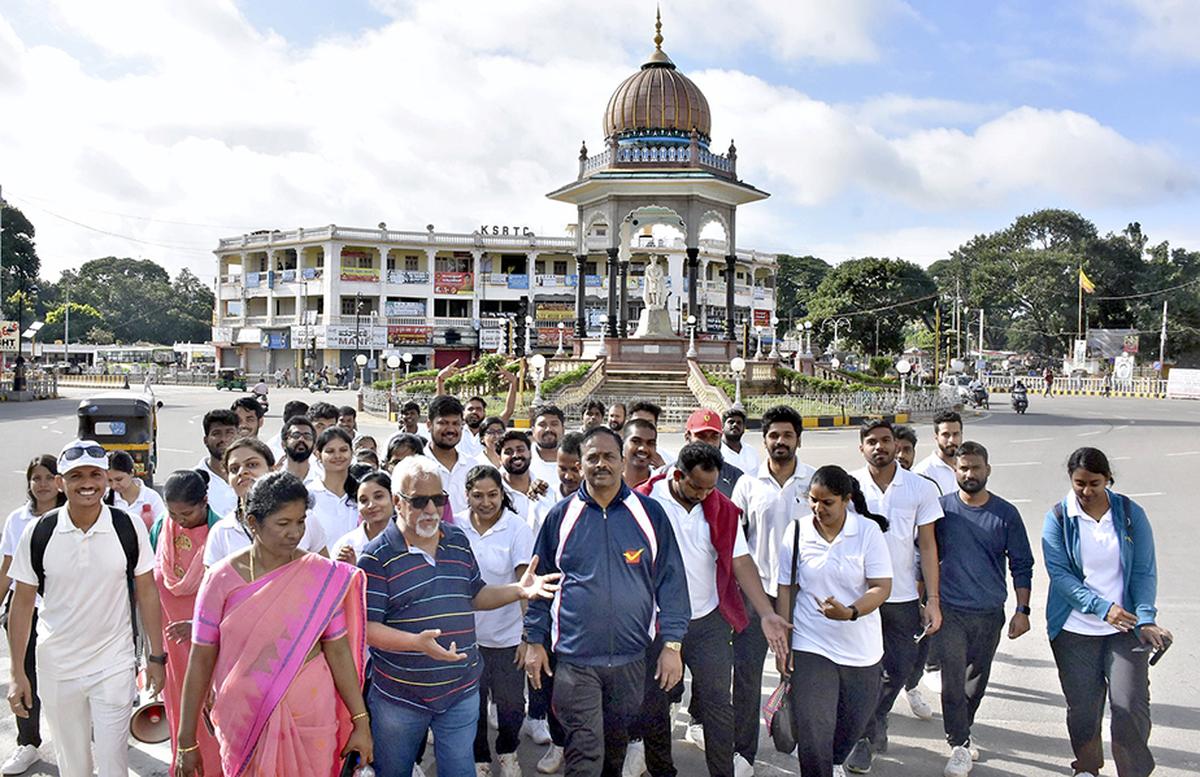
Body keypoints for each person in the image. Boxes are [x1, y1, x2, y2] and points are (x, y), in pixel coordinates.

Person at [356, 456, 559, 776]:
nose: (431, 509)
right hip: (400, 698)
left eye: (438, 499)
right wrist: (416, 643)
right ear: (397, 502)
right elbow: (366, 628)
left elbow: (475, 594)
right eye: (419, 501)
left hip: (460, 692)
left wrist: (519, 590)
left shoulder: (457, 540)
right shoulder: (375, 556)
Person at [173, 471, 372, 777]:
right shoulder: (220, 579)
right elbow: (201, 659)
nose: (295, 533)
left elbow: (338, 650)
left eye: (300, 522)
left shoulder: (321, 576)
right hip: (244, 718)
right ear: (253, 523)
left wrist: (361, 720)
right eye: (283, 523)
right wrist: (186, 742)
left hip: (311, 715)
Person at [524, 426, 690, 777]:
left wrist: (672, 645)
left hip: (631, 661)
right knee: (585, 755)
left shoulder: (650, 514)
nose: (602, 464)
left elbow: (672, 583)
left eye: (609, 456)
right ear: (580, 464)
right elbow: (541, 585)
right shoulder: (560, 517)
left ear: (622, 461)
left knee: (614, 754)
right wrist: (534, 641)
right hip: (575, 661)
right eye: (593, 457)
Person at [630, 443, 792, 777]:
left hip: (708, 622)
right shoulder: (644, 502)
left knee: (718, 703)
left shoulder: (721, 508)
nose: (705, 495)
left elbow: (740, 561)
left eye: (710, 488)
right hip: (657, 624)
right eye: (697, 487)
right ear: (678, 475)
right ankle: (662, 771)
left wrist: (766, 613)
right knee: (656, 704)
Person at [7, 440, 165, 777]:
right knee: (74, 766)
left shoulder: (128, 527)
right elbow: (22, 605)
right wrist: (17, 673)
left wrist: (156, 656)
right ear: (61, 482)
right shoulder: (39, 532)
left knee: (113, 763)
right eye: (76, 476)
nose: (87, 483)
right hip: (57, 667)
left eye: (95, 474)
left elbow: (148, 593)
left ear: (106, 479)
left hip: (113, 664)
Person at [1043, 447, 1167, 777]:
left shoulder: (1130, 514)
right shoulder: (1058, 517)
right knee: (1083, 709)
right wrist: (1101, 608)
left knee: (1129, 707)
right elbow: (1060, 576)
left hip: (1125, 628)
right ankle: (1086, 767)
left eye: (1094, 484)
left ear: (1108, 479)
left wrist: (1146, 619)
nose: (1086, 491)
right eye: (1079, 483)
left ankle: (1134, 772)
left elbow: (1143, 571)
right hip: (1074, 630)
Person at [776, 466, 893, 777]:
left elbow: (882, 586)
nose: (818, 508)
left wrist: (850, 611)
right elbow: (786, 587)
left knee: (851, 725)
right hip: (811, 641)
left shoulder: (867, 531)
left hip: (861, 649)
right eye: (813, 500)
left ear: (846, 500)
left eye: (827, 502)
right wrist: (783, 643)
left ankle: (834, 761)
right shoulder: (797, 531)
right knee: (814, 726)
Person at [846, 420, 943, 774]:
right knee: (864, 671)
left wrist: (933, 599)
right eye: (871, 441)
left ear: (895, 445)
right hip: (859, 596)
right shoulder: (849, 486)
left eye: (886, 440)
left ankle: (877, 717)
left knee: (900, 668)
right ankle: (864, 738)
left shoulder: (920, 488)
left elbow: (928, 545)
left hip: (902, 596)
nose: (880, 447)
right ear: (861, 447)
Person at [936, 442, 1034, 776]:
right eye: (963, 468)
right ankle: (959, 743)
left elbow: (1022, 564)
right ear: (955, 471)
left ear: (987, 470)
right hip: (949, 610)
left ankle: (963, 732)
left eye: (975, 467)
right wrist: (927, 602)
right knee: (952, 681)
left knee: (974, 684)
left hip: (990, 612)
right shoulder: (941, 510)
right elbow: (924, 558)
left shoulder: (1006, 514)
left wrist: (1022, 610)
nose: (969, 474)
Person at [728, 405, 816, 774]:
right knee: (747, 675)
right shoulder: (748, 484)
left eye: (787, 435)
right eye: (774, 435)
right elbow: (735, 541)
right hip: (756, 595)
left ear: (798, 440)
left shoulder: (813, 482)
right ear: (764, 440)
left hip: (802, 596)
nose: (781, 441)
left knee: (799, 672)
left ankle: (795, 739)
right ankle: (743, 752)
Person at [455, 466, 535, 777]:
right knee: (472, 707)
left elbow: (525, 585)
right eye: (478, 495)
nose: (486, 502)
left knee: (511, 706)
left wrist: (527, 636)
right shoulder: (455, 527)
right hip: (466, 638)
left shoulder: (517, 528)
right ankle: (480, 758)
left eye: (493, 495)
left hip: (507, 637)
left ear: (503, 494)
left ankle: (508, 751)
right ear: (467, 495)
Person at [151, 470, 223, 776]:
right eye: (173, 513)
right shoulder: (159, 529)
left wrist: (198, 625)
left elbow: (235, 600)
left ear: (205, 502)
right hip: (172, 650)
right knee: (179, 713)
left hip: (212, 648)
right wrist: (152, 654)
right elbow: (149, 590)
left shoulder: (222, 534)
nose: (179, 521)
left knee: (212, 718)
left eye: (187, 513)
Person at [524, 429, 586, 772]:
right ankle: (558, 744)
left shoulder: (602, 504)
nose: (568, 474)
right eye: (563, 467)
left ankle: (583, 748)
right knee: (552, 683)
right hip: (550, 601)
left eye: (575, 467)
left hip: (584, 611)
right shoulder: (542, 496)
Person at [0, 456, 65, 776]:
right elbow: (7, 568)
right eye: (36, 478)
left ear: (60, 481)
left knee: (66, 678)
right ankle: (27, 743)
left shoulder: (72, 516)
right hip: (25, 610)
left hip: (64, 611)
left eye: (49, 477)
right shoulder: (17, 519)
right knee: (24, 675)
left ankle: (77, 737)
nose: (42, 484)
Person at [204, 437, 328, 565]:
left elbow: (327, 571)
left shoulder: (305, 519)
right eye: (234, 469)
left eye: (252, 465)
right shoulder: (222, 531)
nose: (242, 472)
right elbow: (214, 577)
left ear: (272, 470)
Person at [309, 427, 361, 543]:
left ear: (352, 453)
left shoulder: (362, 493)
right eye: (330, 451)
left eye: (343, 450)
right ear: (318, 455)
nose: (338, 456)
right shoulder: (309, 494)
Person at [425, 395, 475, 515]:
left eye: (456, 423)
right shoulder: (416, 465)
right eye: (443, 423)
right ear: (429, 425)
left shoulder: (473, 467)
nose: (451, 429)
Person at [331, 472, 395, 565]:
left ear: (393, 498)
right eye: (364, 500)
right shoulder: (346, 545)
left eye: (378, 497)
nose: (371, 505)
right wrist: (350, 568)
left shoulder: (409, 538)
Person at [683, 408, 744, 498]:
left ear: (721, 437)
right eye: (701, 436)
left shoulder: (737, 478)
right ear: (687, 436)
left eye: (714, 437)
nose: (709, 443)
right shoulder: (670, 475)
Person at [497, 430, 553, 525]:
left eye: (520, 450)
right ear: (499, 458)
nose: (516, 455)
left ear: (530, 453)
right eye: (508, 452)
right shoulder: (495, 492)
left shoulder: (545, 490)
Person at [105, 450, 168, 529]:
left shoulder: (151, 498)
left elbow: (163, 527)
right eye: (109, 481)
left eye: (119, 479)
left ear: (132, 472)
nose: (114, 485)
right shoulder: (105, 498)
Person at [197, 409, 239, 518]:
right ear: (205, 440)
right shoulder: (195, 480)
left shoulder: (251, 475)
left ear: (238, 436)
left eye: (229, 432)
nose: (223, 439)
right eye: (216, 433)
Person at [913, 411, 962, 496]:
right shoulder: (924, 472)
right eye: (946, 435)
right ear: (936, 437)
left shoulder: (968, 468)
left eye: (956, 434)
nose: (951, 440)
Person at [529, 405, 566, 490]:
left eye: (554, 424)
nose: (548, 429)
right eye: (542, 425)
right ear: (533, 431)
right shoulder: (522, 458)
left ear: (563, 430)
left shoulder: (577, 458)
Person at [279, 415, 324, 486]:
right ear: (283, 444)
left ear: (314, 446)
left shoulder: (323, 480)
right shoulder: (274, 481)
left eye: (307, 436)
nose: (301, 439)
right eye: (296, 436)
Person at [628, 401, 672, 468]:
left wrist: (663, 469)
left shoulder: (669, 461)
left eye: (649, 424)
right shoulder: (616, 456)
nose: (643, 428)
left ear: (656, 426)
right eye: (638, 423)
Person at [720, 408, 760, 476]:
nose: (735, 425)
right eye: (731, 422)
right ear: (722, 427)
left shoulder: (751, 451)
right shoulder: (718, 452)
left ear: (744, 428)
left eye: (739, 423)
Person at [621, 418, 659, 488]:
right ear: (622, 443)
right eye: (636, 441)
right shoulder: (607, 482)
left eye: (650, 443)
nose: (643, 449)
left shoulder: (663, 486)